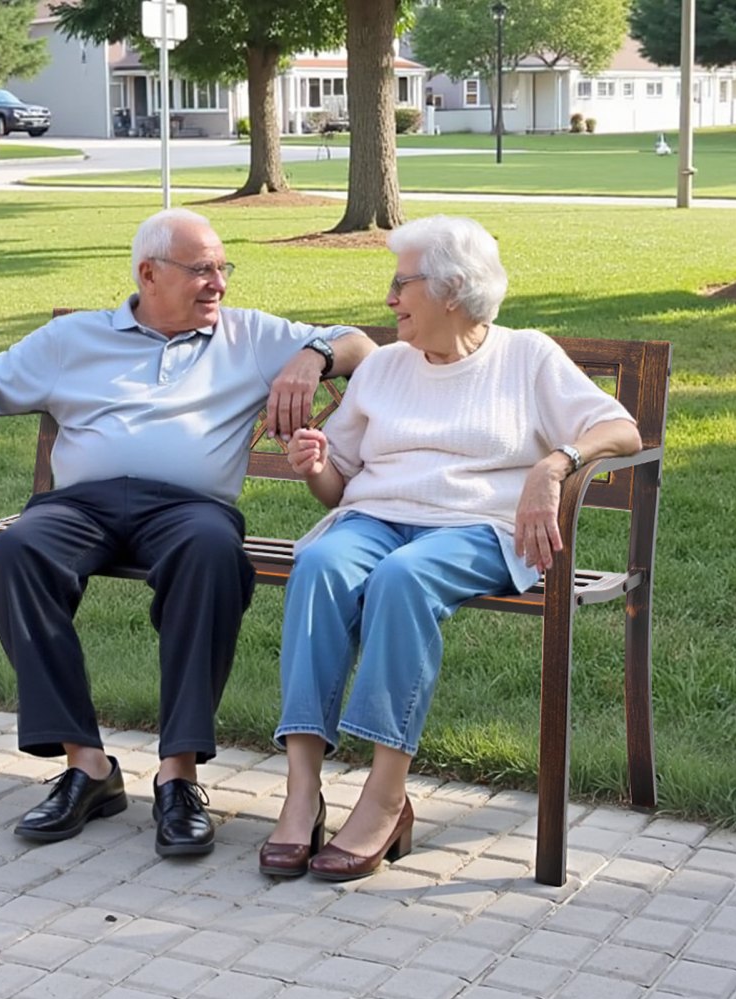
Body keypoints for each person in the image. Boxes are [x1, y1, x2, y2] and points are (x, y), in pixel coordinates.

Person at [0, 207, 374, 856]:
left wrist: (313, 355)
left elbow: (361, 345)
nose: (218, 283)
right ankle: (88, 766)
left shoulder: (248, 336)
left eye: (224, 268)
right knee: (17, 552)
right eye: (201, 271)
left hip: (189, 510)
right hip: (80, 506)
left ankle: (179, 776)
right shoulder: (74, 339)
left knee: (213, 555)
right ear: (149, 273)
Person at [259, 215, 642, 882]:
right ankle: (301, 791)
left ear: (452, 289)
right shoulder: (383, 368)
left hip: (477, 530)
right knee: (319, 562)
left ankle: (385, 794)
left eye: (400, 284)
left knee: (404, 578)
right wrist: (314, 461)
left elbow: (621, 430)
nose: (388, 301)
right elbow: (336, 489)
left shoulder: (526, 357)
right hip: (374, 519)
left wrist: (554, 465)